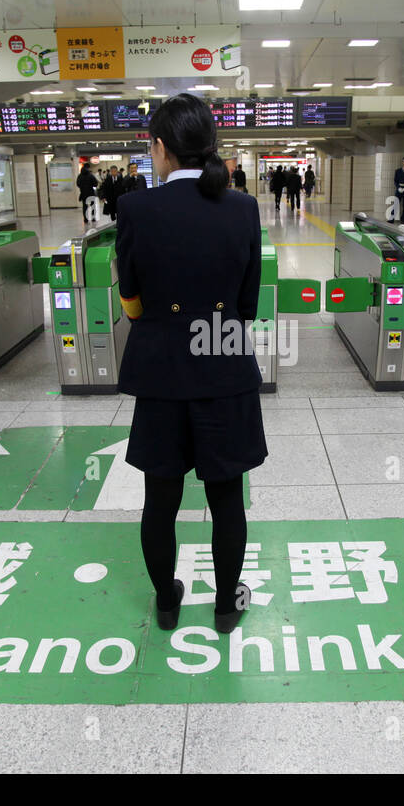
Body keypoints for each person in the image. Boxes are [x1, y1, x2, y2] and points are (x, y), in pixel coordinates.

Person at [115, 93, 266, 635]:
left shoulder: (134, 209)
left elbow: (130, 296)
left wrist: (156, 322)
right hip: (224, 363)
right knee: (227, 497)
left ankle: (166, 601)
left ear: (159, 148)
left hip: (160, 372)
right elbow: (248, 303)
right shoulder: (243, 208)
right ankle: (227, 605)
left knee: (161, 496)